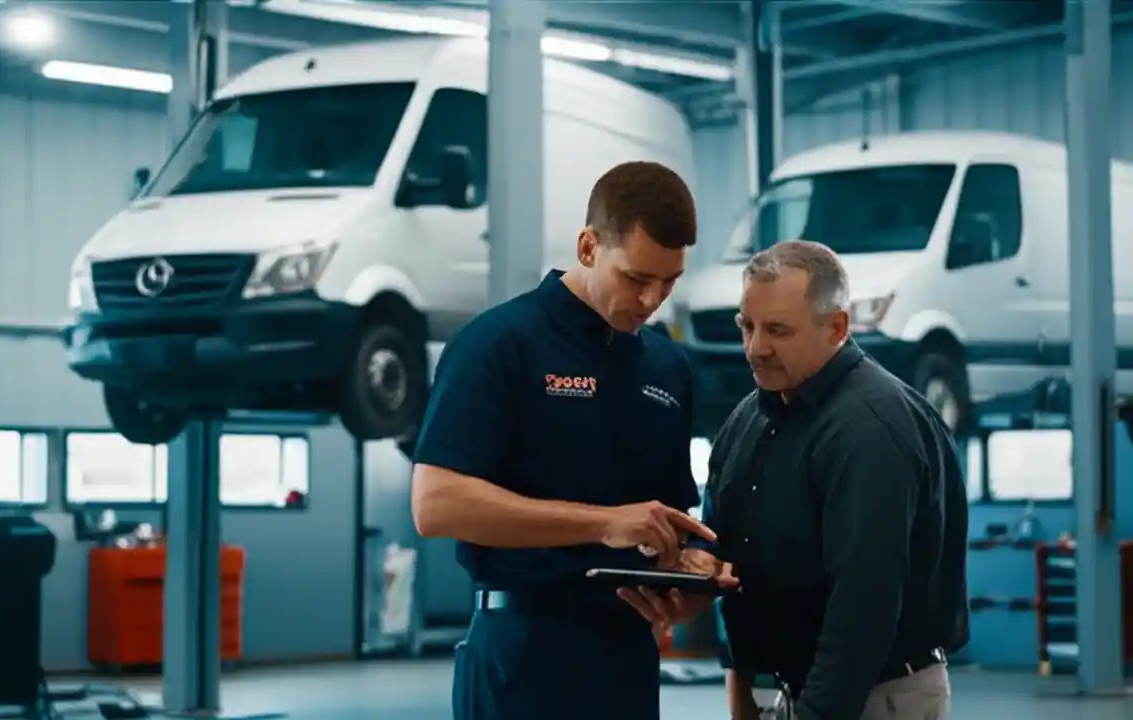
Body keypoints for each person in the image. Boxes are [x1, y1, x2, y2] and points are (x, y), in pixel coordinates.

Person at [409, 160, 733, 720]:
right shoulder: (498, 345)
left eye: (670, 281)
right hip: (522, 652)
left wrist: (691, 572)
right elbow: (435, 505)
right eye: (636, 278)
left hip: (628, 655)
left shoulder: (667, 369)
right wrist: (602, 523)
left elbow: (667, 520)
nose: (653, 299)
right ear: (588, 247)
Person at [623, 239, 970, 720]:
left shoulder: (870, 431)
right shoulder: (750, 418)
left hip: (873, 697)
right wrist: (697, 576)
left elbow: (862, 612)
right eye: (747, 325)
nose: (755, 348)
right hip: (784, 690)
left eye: (779, 330)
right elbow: (729, 554)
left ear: (837, 327)